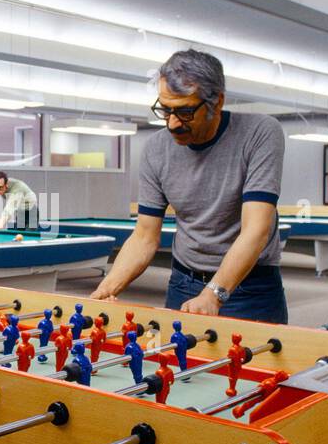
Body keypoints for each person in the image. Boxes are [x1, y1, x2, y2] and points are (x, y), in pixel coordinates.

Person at [91, 49, 287, 323]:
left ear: (217, 102)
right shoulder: (156, 148)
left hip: (250, 288)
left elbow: (256, 230)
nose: (172, 124)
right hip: (184, 282)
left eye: (184, 111)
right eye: (165, 110)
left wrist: (214, 294)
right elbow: (145, 236)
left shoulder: (260, 132)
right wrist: (106, 287)